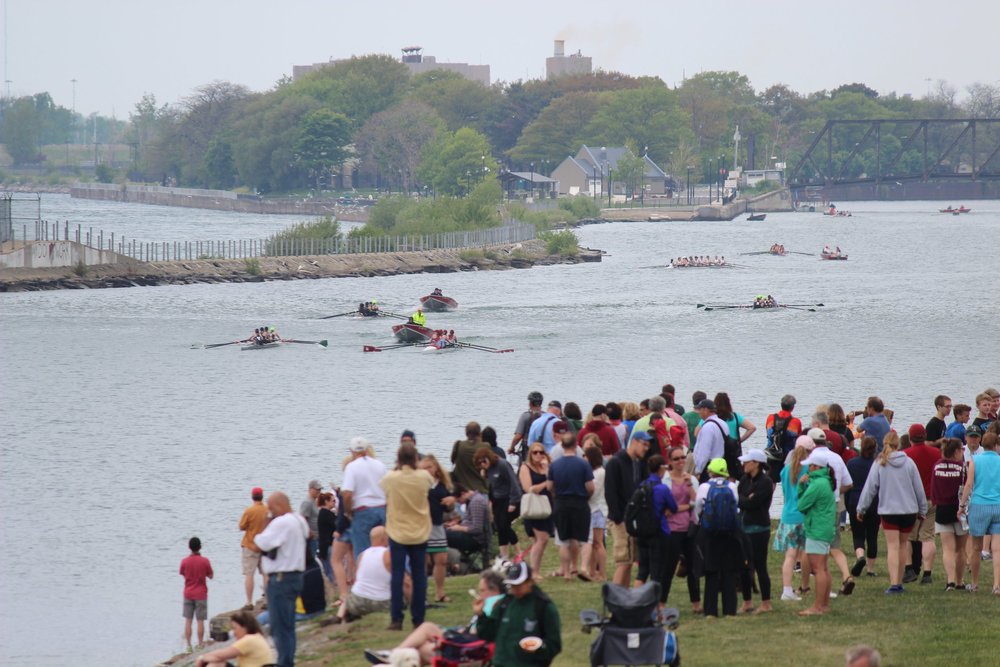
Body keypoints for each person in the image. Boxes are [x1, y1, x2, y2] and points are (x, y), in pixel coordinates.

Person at [366, 570, 507, 666]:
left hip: (468, 645)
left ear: (494, 590)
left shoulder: (493, 602)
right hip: (466, 640)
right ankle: (394, 657)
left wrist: (466, 629)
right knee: (424, 642)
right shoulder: (499, 604)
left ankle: (393, 656)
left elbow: (482, 631)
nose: (479, 594)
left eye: (482, 590)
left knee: (425, 637)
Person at [856, 432, 928, 594]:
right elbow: (919, 488)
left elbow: (870, 488)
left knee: (893, 546)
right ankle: (900, 581)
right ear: (899, 445)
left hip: (889, 510)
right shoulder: (909, 463)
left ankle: (894, 582)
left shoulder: (880, 462)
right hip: (908, 510)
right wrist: (922, 509)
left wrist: (861, 508)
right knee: (903, 545)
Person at [380, 442, 434, 631]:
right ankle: (418, 618)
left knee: (397, 574)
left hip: (398, 532)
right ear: (415, 459)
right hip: (419, 532)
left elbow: (383, 488)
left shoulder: (391, 478)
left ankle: (396, 618)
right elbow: (430, 483)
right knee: (420, 575)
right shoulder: (423, 477)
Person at [252, 491, 308, 667]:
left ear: (278, 506)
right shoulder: (300, 520)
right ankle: (288, 660)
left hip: (281, 579)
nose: (270, 512)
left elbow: (260, 542)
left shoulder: (282, 522)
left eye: (271, 508)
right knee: (288, 625)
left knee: (279, 627)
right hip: (296, 577)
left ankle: (285, 663)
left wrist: (266, 523)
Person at [475, 562, 562, 667]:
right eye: (512, 584)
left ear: (530, 582)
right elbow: (488, 635)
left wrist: (536, 650)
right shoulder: (505, 604)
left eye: (518, 584)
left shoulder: (543, 607)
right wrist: (481, 615)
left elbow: (554, 644)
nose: (514, 588)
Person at [694, 458, 742, 616]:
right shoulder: (732, 486)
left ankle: (710, 610)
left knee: (711, 571)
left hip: (710, 533)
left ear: (710, 471)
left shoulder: (704, 487)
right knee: (729, 571)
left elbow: (697, 509)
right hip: (729, 533)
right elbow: (736, 507)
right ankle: (730, 609)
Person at [547, 427, 595, 580]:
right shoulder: (583, 464)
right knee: (578, 536)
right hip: (580, 502)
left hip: (561, 502)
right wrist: (586, 496)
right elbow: (590, 487)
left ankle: (566, 572)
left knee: (563, 540)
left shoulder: (554, 465)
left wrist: (556, 495)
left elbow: (549, 486)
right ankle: (576, 567)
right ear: (576, 445)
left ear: (562, 445)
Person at [604, 429, 650, 586]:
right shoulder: (616, 462)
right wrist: (618, 518)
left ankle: (624, 599)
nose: (646, 448)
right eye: (644, 444)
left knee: (630, 561)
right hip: (620, 519)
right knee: (623, 560)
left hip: (633, 518)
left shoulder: (638, 463)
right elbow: (610, 491)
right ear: (634, 442)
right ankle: (615, 599)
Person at [795, 451, 837, 616]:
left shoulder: (817, 483)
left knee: (818, 569)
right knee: (824, 568)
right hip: (825, 528)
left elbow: (802, 505)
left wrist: (801, 485)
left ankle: (818, 606)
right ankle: (824, 604)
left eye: (810, 466)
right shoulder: (825, 481)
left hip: (817, 529)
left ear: (816, 467)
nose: (808, 469)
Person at [636, 455, 679, 607]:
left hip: (642, 533)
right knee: (657, 572)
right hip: (658, 532)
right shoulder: (662, 488)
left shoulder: (642, 485)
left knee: (642, 571)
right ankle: (654, 607)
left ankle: (636, 601)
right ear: (661, 468)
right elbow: (674, 507)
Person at [959, 432, 1000, 593]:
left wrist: (962, 504)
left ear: (983, 444)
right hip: (997, 505)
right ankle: (997, 585)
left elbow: (969, 484)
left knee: (976, 547)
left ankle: (975, 583)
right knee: (997, 549)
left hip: (979, 505)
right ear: (997, 445)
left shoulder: (974, 460)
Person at [774, 438, 813, 601]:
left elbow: (785, 492)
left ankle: (787, 589)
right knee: (806, 553)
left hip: (788, 515)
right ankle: (805, 585)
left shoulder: (785, 470)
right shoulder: (809, 470)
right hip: (804, 516)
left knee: (790, 556)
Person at [903, 423, 941, 585]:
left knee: (907, 537)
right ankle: (927, 573)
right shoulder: (936, 453)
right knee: (928, 537)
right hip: (932, 498)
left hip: (911, 500)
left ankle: (909, 569)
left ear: (910, 438)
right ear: (925, 436)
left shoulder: (905, 455)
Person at [737, 449, 774, 614]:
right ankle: (747, 601)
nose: (744, 464)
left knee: (760, 565)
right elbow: (740, 499)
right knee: (744, 566)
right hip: (744, 527)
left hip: (760, 528)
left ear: (756, 463)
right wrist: (747, 499)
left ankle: (766, 602)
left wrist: (746, 500)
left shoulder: (765, 482)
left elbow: (754, 503)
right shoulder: (744, 479)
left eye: (747, 461)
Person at [332, 526, 393, 624]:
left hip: (358, 601)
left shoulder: (362, 555)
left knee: (349, 596)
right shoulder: (389, 554)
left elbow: (357, 580)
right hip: (383, 602)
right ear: (384, 538)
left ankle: (339, 616)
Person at [342, 437, 387, 558]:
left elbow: (347, 494)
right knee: (384, 550)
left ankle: (365, 574)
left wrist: (348, 511)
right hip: (382, 509)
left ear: (351, 451)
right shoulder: (380, 465)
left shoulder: (352, 467)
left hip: (363, 511)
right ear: (367, 449)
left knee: (363, 553)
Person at [419, 454, 455, 603]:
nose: (427, 470)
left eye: (430, 467)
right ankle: (421, 594)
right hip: (420, 526)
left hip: (437, 525)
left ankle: (439, 592)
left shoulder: (442, 484)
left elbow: (449, 509)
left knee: (441, 559)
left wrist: (451, 502)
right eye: (424, 468)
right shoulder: (418, 483)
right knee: (421, 561)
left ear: (436, 468)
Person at [475, 446, 522, 560]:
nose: (483, 465)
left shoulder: (502, 464)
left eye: (484, 462)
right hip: (496, 500)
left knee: (504, 525)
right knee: (500, 527)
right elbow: (491, 485)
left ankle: (518, 551)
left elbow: (514, 483)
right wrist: (484, 474)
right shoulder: (487, 469)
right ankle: (504, 554)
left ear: (488, 458)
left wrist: (513, 502)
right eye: (480, 464)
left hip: (507, 499)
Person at [932, 438, 968, 590]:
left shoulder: (937, 466)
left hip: (942, 509)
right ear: (956, 452)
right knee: (960, 549)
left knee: (947, 548)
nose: (963, 453)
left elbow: (933, 488)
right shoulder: (962, 468)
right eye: (961, 450)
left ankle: (950, 581)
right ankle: (960, 581)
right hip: (960, 510)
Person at [846, 437, 880, 579]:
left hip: (855, 500)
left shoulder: (852, 463)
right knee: (872, 535)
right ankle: (871, 569)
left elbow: (848, 485)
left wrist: (848, 504)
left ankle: (860, 556)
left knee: (858, 534)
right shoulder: (878, 464)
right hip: (873, 502)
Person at [519, 443, 554, 575]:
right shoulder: (525, 467)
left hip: (547, 506)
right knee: (542, 539)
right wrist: (546, 481)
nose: (538, 455)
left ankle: (534, 571)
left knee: (540, 541)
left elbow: (553, 486)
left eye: (541, 452)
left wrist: (547, 472)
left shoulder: (546, 468)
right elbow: (529, 489)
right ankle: (533, 572)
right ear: (530, 454)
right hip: (534, 507)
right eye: (535, 452)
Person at [195, 610, 275, 667]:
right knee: (219, 662)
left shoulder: (249, 640)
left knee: (217, 664)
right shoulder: (256, 637)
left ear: (245, 627)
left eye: (235, 628)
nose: (234, 632)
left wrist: (201, 658)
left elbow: (220, 655)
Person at [180, 537, 213, 653]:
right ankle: (200, 644)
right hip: (201, 594)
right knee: (200, 620)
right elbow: (211, 575)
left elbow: (182, 573)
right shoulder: (205, 561)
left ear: (189, 547)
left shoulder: (184, 561)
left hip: (188, 592)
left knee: (188, 620)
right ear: (200, 547)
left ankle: (188, 646)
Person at [580, 445, 608, 582]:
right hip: (591, 509)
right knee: (590, 542)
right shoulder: (591, 472)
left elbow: (593, 491)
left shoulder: (600, 473)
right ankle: (591, 571)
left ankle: (602, 572)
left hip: (597, 509)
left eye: (585, 456)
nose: (583, 458)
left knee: (598, 542)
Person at [238, 487, 269, 610]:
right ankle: (267, 599)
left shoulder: (249, 511)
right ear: (262, 496)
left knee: (249, 574)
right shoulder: (267, 510)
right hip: (264, 546)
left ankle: (249, 602)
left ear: (252, 497)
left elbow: (241, 526)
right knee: (266, 574)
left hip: (250, 545)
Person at [765, 394, 802, 483]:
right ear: (792, 407)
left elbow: (768, 433)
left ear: (781, 405)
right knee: (789, 481)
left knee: (771, 480)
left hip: (772, 453)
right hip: (788, 455)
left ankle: (769, 497)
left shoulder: (770, 418)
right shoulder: (796, 422)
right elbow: (799, 438)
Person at [445, 484, 489, 555]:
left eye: (458, 500)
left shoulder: (476, 502)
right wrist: (457, 524)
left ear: (463, 494)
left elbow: (477, 529)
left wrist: (459, 528)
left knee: (440, 536)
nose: (458, 503)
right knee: (441, 532)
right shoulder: (471, 501)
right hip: (469, 535)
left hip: (474, 539)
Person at [692, 398, 729, 482]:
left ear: (705, 410)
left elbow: (704, 451)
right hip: (721, 464)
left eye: (700, 409)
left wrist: (698, 471)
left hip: (709, 467)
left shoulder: (708, 427)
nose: (698, 412)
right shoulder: (723, 423)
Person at [451, 422, 489, 494]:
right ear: (479, 433)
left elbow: (452, 461)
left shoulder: (458, 445)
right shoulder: (485, 446)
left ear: (466, 433)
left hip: (462, 493)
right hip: (480, 490)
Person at [510, 391, 544, 459]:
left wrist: (512, 447)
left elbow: (518, 436)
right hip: (542, 450)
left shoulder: (525, 416)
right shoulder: (546, 417)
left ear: (530, 403)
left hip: (528, 451)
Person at [317, 492, 337, 583]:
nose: (334, 503)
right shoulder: (327, 514)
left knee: (328, 569)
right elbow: (337, 524)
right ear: (326, 501)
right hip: (327, 545)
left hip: (324, 545)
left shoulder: (323, 513)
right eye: (333, 501)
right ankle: (331, 586)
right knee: (330, 570)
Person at [301, 480, 322, 562]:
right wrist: (310, 533)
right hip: (311, 539)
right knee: (311, 561)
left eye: (320, 489)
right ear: (310, 489)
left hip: (316, 537)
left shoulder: (313, 501)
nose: (319, 491)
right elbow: (303, 519)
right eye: (317, 489)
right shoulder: (307, 502)